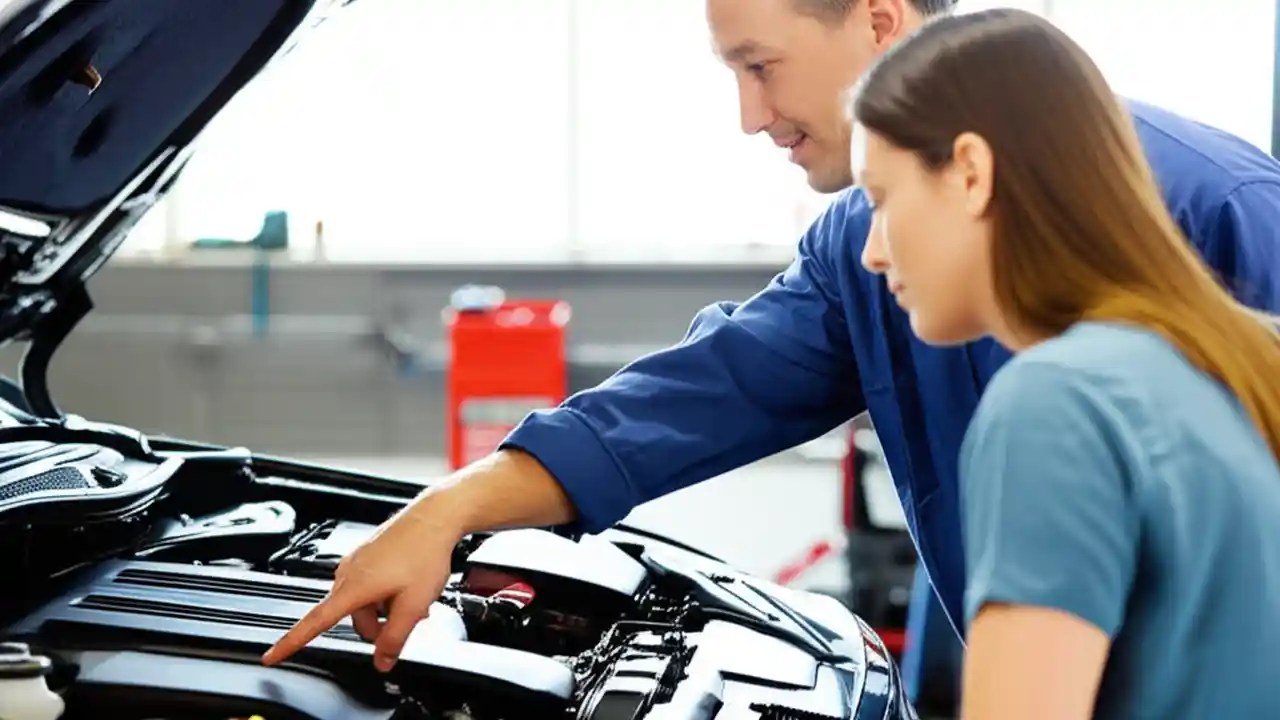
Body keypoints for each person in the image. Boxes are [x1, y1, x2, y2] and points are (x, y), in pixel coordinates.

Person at [262, 0, 1280, 674]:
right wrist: (448, 509)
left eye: (759, 65)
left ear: (879, 23)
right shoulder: (860, 246)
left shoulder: (1227, 212)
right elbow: (701, 394)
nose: (749, 116)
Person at [849, 9, 1280, 718]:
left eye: (881, 199)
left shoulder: (1056, 404)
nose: (871, 251)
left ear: (969, 173)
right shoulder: (1245, 358)